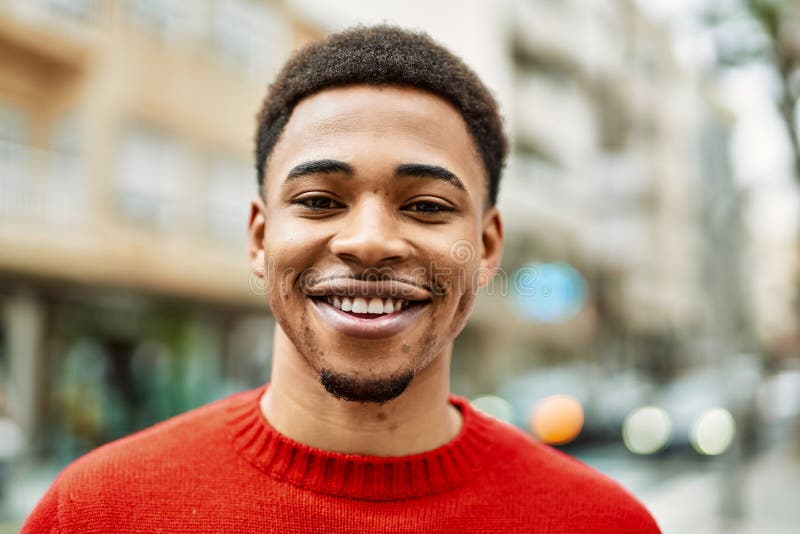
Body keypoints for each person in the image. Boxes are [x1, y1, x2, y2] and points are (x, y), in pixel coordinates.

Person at [22, 25, 660, 533]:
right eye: (320, 201)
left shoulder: (601, 523)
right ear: (259, 238)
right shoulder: (96, 513)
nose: (369, 241)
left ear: (487, 246)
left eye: (426, 206)